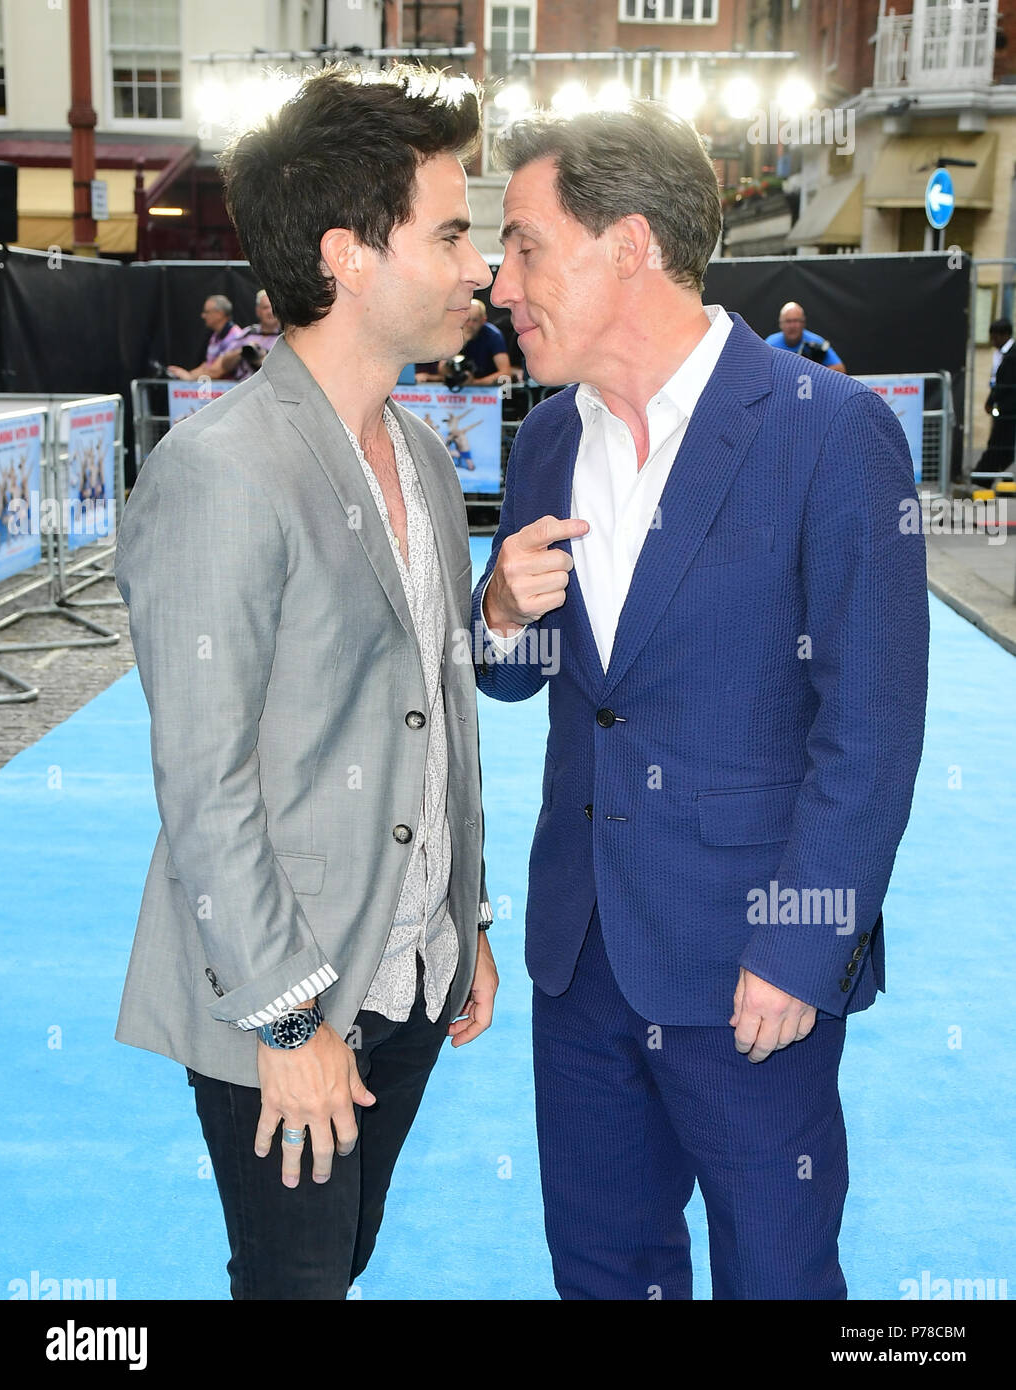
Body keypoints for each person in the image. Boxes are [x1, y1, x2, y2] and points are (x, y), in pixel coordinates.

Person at [470, 102, 929, 1300]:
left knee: (777, 1277)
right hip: (580, 963)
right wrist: (503, 618)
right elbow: (520, 685)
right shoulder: (544, 442)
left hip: (751, 970)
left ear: (628, 245)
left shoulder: (833, 435)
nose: (496, 279)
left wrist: (803, 945)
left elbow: (871, 730)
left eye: (523, 245)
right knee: (604, 1273)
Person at [114, 61, 499, 1302]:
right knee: (293, 1286)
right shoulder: (221, 470)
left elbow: (434, 717)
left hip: (413, 981)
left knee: (342, 1263)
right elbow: (202, 782)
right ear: (348, 254)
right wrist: (285, 1023)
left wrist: (465, 920)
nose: (478, 264)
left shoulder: (427, 458)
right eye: (449, 231)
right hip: (284, 1001)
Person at [417, 298, 519, 385]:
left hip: (485, 389)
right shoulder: (454, 332)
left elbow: (506, 373)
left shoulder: (493, 335)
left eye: (475, 321)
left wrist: (475, 382)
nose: (470, 325)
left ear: (483, 320)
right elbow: (443, 370)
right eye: (467, 320)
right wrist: (462, 342)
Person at [973, 317, 1016, 480]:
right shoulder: (1002, 354)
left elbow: (1005, 383)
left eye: (994, 337)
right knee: (1001, 445)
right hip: (1003, 407)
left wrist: (991, 401)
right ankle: (991, 475)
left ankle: (981, 477)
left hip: (1008, 409)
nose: (992, 341)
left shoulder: (1011, 356)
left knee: (999, 444)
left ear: (1004, 335)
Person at [167, 294, 245, 380]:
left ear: (219, 314)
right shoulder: (215, 336)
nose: (203, 316)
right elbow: (208, 365)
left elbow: (216, 371)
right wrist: (183, 374)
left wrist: (189, 377)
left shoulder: (236, 336)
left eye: (207, 312)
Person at [217, 288, 284, 380]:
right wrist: (244, 351)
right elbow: (224, 365)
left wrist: (264, 359)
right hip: (243, 385)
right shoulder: (247, 333)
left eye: (273, 307)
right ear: (258, 311)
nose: (270, 312)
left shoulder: (287, 337)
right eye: (265, 307)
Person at [765, 300, 846, 373]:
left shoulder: (816, 342)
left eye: (796, 321)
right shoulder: (770, 344)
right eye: (788, 321)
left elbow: (840, 369)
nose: (792, 326)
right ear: (780, 324)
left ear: (803, 323)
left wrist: (814, 373)